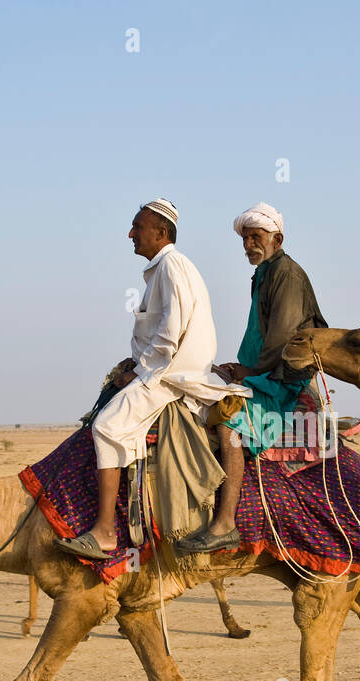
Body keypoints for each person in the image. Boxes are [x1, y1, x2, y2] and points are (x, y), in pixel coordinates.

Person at [56, 198, 247, 559]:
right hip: (165, 370)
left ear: (160, 233)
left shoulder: (172, 267)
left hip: (169, 376)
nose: (131, 234)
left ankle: (105, 533)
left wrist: (138, 372)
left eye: (137, 227)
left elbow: (169, 333)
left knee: (107, 427)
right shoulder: (166, 269)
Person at [176, 202, 328, 554]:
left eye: (255, 237)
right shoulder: (264, 273)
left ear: (278, 238)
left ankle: (225, 523)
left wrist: (250, 373)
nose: (248, 245)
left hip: (283, 378)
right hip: (262, 372)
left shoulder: (286, 275)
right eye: (245, 238)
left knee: (229, 419)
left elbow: (281, 339)